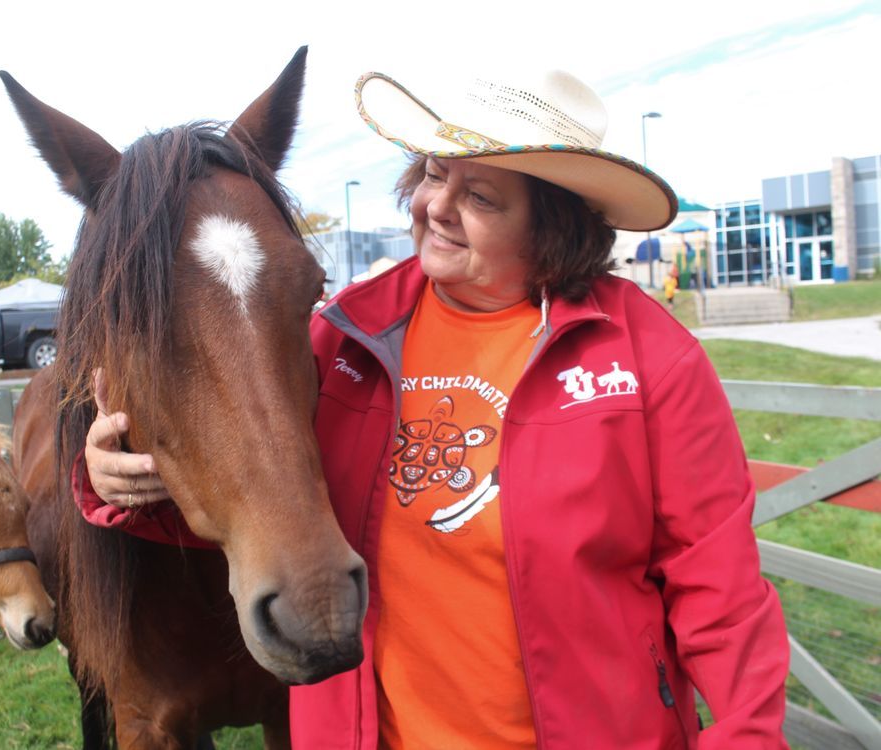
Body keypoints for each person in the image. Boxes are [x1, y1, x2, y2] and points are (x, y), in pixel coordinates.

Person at [80, 64, 790, 749]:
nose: (436, 207)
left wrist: (750, 737)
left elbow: (719, 590)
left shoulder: (647, 358)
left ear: (553, 224)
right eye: (432, 173)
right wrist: (115, 482)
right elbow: (261, 496)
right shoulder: (344, 341)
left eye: (482, 199)